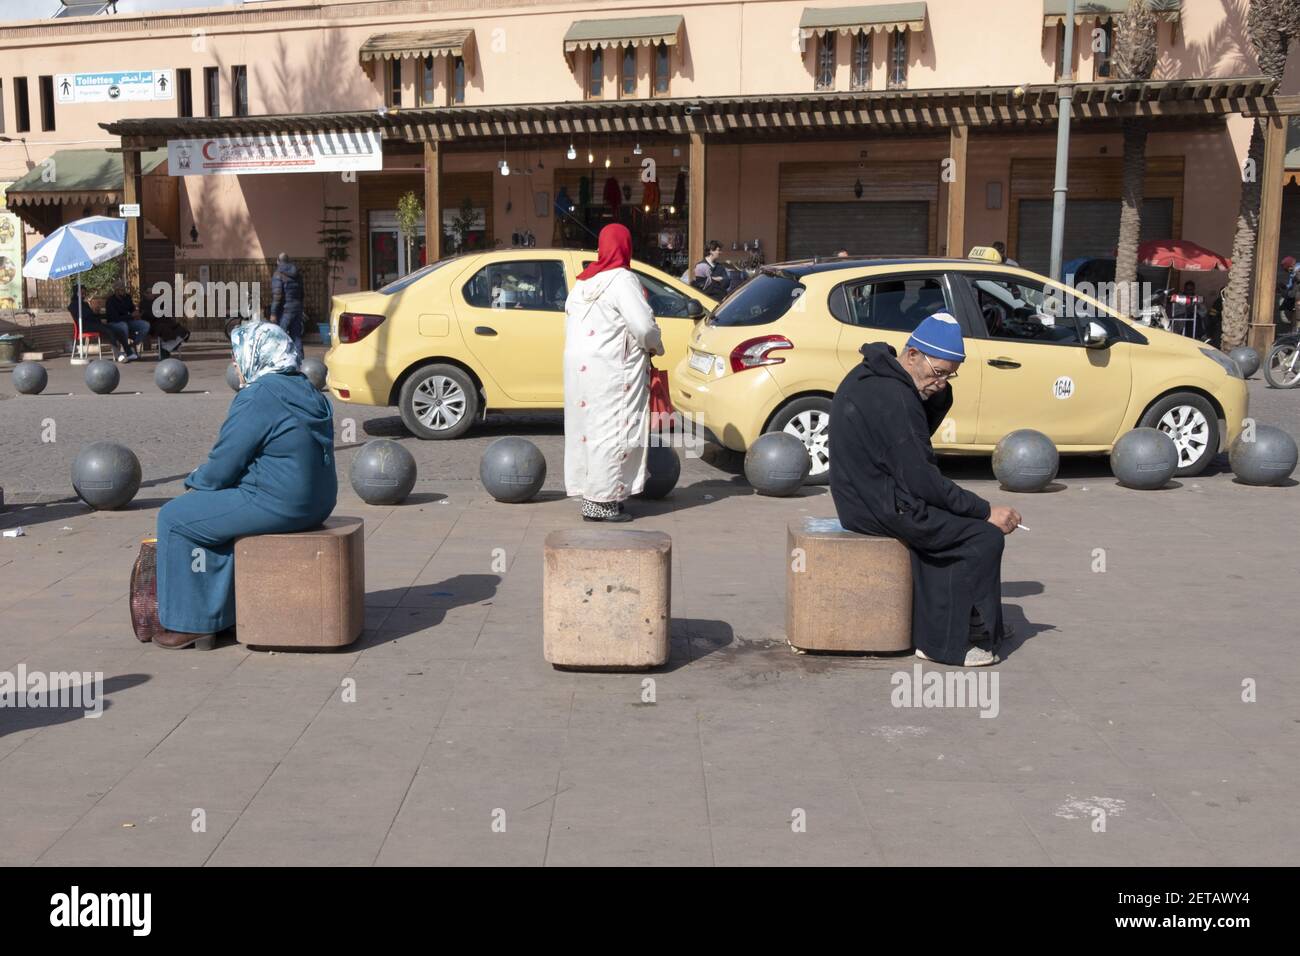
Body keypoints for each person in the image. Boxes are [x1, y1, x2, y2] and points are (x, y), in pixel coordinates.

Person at [829, 313, 1022, 667]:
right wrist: (984, 510)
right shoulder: (895, 398)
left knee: (954, 523)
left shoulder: (876, 373)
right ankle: (949, 642)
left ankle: (959, 624)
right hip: (879, 505)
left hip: (868, 495)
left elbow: (913, 452)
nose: (943, 383)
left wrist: (935, 390)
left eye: (951, 375)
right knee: (982, 537)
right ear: (913, 355)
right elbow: (922, 479)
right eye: (939, 373)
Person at [149, 322, 336, 648]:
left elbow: (223, 464)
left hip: (278, 502)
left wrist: (195, 482)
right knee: (210, 515)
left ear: (256, 355)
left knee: (176, 518)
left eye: (237, 355)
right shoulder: (305, 387)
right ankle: (217, 614)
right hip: (318, 500)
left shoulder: (258, 396)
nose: (234, 363)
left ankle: (191, 623)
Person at [563, 223, 664, 522]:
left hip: (580, 370)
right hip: (612, 369)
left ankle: (594, 492)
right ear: (626, 247)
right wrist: (657, 346)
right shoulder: (623, 279)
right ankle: (601, 503)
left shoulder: (581, 283)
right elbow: (644, 326)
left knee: (588, 429)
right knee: (613, 430)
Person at [67, 288, 131, 361]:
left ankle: (129, 353)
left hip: (94, 324)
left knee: (117, 330)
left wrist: (96, 312)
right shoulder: (73, 305)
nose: (83, 295)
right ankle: (117, 355)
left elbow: (92, 315)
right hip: (85, 327)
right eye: (82, 293)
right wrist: (93, 313)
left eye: (84, 293)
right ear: (76, 293)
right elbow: (85, 316)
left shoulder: (84, 303)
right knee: (109, 331)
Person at [270, 252, 305, 361]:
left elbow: (277, 297)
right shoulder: (297, 274)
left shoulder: (278, 274)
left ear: (278, 261)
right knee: (296, 336)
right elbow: (302, 293)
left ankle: (280, 361)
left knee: (280, 336)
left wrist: (273, 313)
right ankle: (300, 360)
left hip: (285, 310)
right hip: (297, 308)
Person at [104, 280, 153, 359]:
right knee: (124, 326)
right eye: (121, 289)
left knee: (145, 325)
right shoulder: (110, 301)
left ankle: (133, 345)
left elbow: (132, 309)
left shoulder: (127, 297)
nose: (123, 291)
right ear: (116, 290)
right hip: (114, 323)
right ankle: (126, 350)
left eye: (124, 289)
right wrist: (131, 316)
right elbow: (115, 318)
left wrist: (137, 313)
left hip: (127, 321)